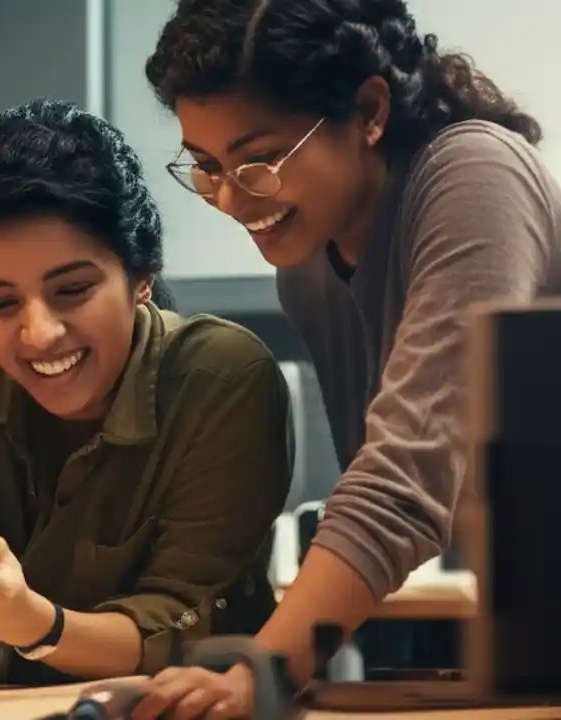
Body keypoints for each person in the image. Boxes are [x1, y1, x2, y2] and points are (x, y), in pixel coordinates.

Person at [117, 0, 561, 716]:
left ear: (370, 110)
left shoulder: (475, 173)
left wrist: (261, 667)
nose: (232, 198)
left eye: (260, 160)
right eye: (206, 167)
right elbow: (393, 486)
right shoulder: (309, 271)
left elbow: (404, 479)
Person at [0, 98, 293, 688]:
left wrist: (33, 624)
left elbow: (191, 624)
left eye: (73, 290)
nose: (38, 333)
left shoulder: (223, 378)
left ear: (141, 276)